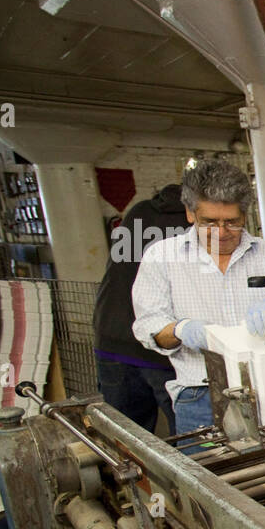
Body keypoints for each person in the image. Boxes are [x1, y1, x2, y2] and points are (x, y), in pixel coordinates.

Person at [132, 159, 265, 439]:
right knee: (209, 478)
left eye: (231, 222)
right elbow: (149, 327)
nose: (221, 233)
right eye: (209, 222)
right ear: (190, 214)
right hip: (200, 395)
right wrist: (182, 330)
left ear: (244, 216)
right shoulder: (161, 257)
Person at [93, 184, 186, 433]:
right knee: (192, 437)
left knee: (127, 438)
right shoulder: (192, 225)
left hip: (111, 336)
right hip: (160, 344)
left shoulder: (138, 212)